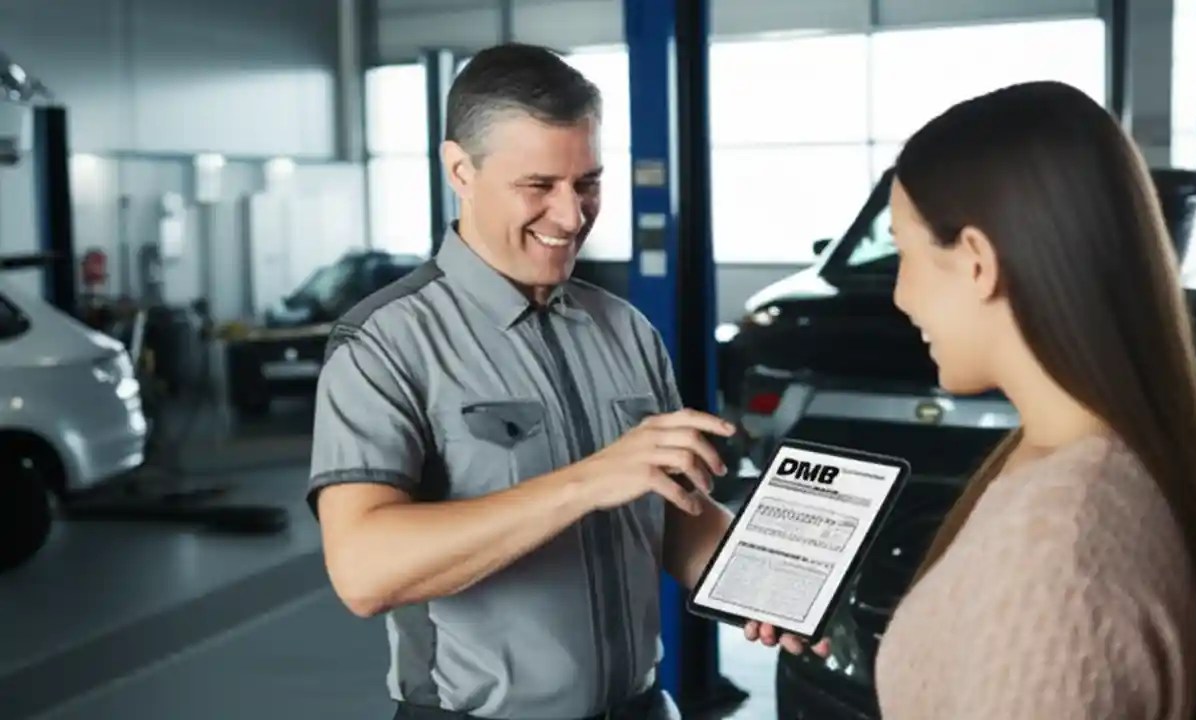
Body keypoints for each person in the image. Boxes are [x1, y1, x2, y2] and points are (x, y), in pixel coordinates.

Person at [306, 43, 825, 720]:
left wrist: (782, 589)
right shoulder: (385, 343)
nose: (572, 216)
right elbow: (363, 571)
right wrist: (587, 481)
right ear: (460, 169)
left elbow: (675, 520)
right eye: (538, 186)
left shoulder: (627, 330)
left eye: (587, 183)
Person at [858, 81, 1196, 719]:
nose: (900, 295)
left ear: (976, 260)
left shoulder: (1064, 552)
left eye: (904, 252)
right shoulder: (1065, 461)